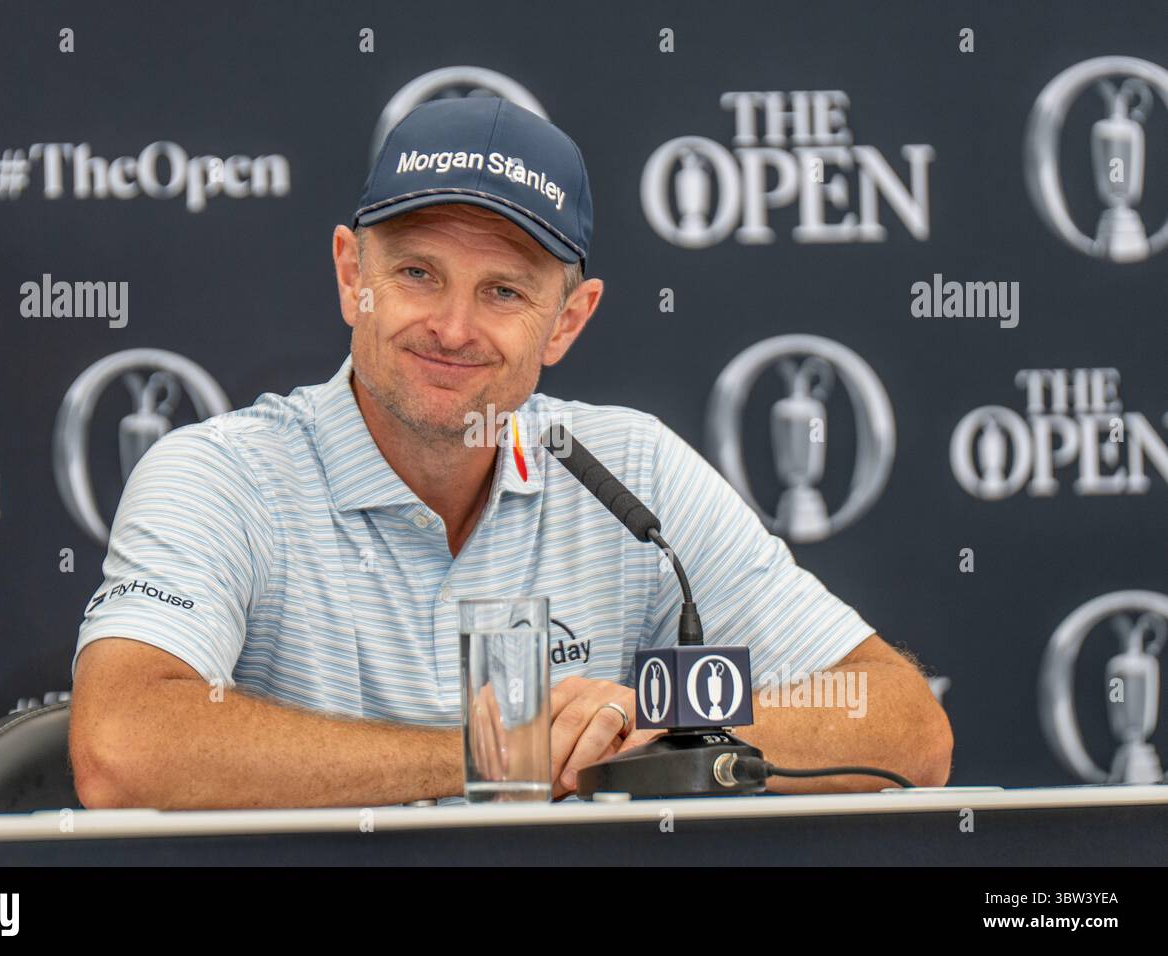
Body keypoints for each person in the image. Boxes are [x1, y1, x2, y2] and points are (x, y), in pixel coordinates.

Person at [69, 96, 952, 809]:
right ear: (351, 275)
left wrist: (658, 723)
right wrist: (500, 753)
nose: (453, 328)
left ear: (567, 321)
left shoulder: (632, 471)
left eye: (502, 292)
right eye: (417, 274)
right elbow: (123, 746)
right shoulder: (220, 475)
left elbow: (907, 729)